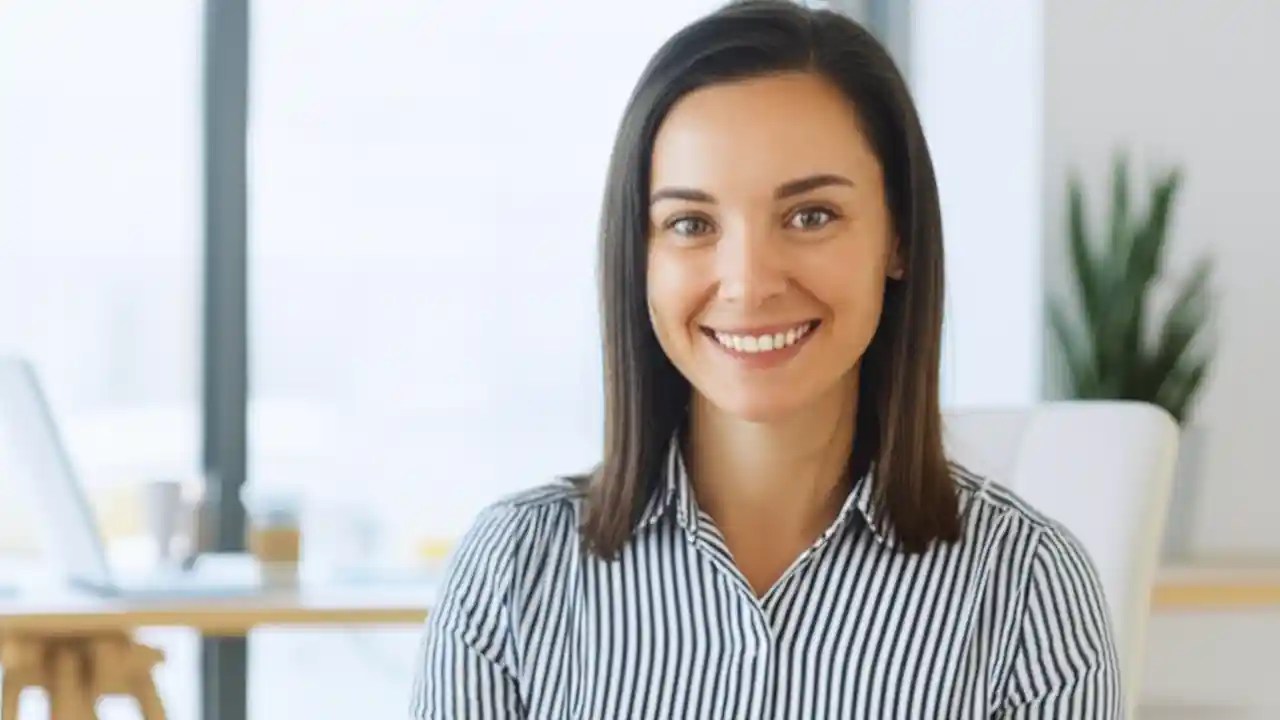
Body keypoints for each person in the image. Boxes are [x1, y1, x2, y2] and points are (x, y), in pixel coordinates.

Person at [410, 1, 1121, 717]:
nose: (749, 282)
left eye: (810, 216)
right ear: (640, 258)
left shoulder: (1030, 593)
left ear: (898, 237)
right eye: (691, 224)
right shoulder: (510, 575)